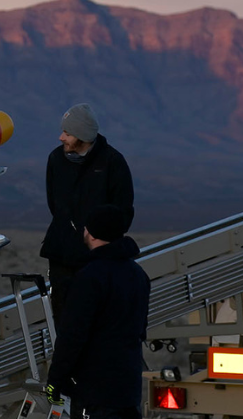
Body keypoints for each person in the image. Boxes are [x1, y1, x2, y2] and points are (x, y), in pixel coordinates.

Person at [46, 204, 151, 419]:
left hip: (95, 390)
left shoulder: (90, 277)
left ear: (91, 234)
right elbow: (141, 328)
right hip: (128, 386)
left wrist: (56, 380)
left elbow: (73, 335)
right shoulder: (138, 274)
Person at [39, 103, 134, 334]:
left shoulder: (112, 162)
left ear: (82, 136)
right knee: (65, 323)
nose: (61, 137)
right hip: (62, 255)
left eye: (68, 133)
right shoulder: (56, 160)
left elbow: (123, 208)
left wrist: (101, 239)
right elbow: (55, 204)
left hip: (98, 257)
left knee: (98, 322)